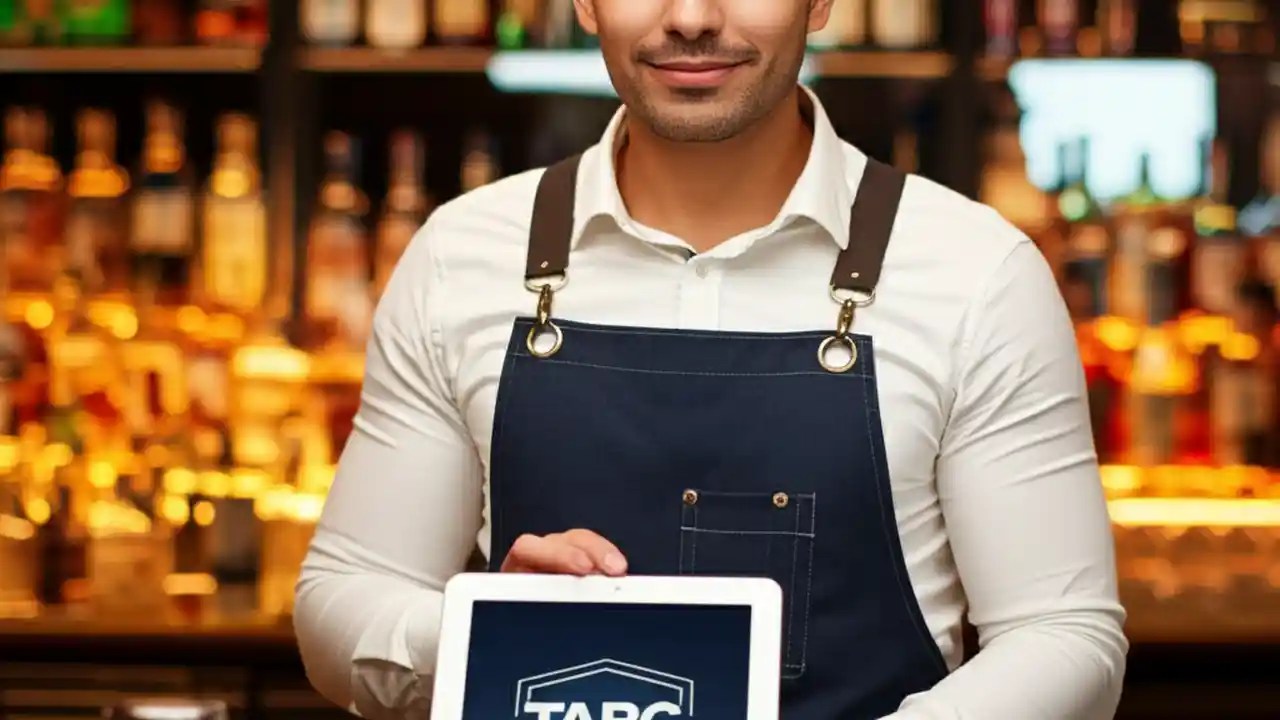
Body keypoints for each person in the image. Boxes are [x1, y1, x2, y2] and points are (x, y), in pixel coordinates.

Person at [293, 1, 1129, 718]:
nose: (691, 18)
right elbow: (343, 598)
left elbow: (1062, 635)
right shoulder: (461, 255)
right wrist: (490, 634)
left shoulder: (977, 272)